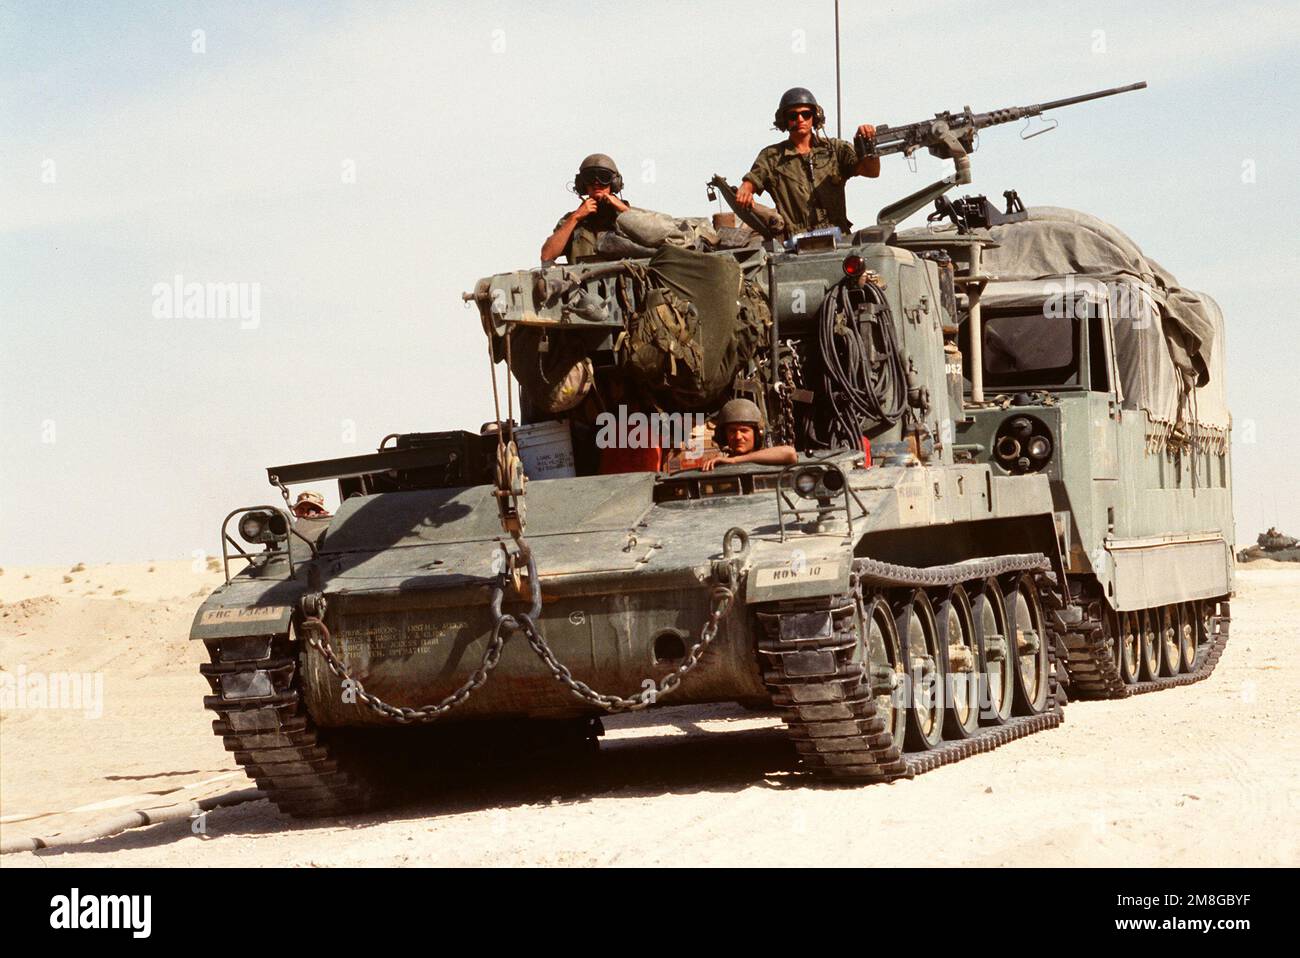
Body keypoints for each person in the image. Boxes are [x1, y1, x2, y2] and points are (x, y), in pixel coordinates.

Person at [734, 87, 880, 236]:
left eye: (806, 114)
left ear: (815, 116)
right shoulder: (772, 156)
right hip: (797, 243)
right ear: (785, 120)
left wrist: (868, 147)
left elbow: (872, 171)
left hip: (839, 238)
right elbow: (750, 183)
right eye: (793, 116)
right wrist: (746, 189)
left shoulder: (835, 149)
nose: (800, 119)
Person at [540, 153, 631, 263]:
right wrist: (575, 218)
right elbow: (547, 255)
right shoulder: (573, 221)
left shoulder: (631, 216)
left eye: (603, 177)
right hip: (583, 279)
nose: (596, 182)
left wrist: (624, 211)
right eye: (590, 177)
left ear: (614, 182)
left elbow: (653, 244)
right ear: (582, 184)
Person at [700, 398, 797, 472]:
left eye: (744, 430)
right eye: (732, 431)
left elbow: (790, 453)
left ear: (757, 434)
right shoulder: (719, 462)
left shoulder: (769, 457)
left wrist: (735, 460)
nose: (738, 437)